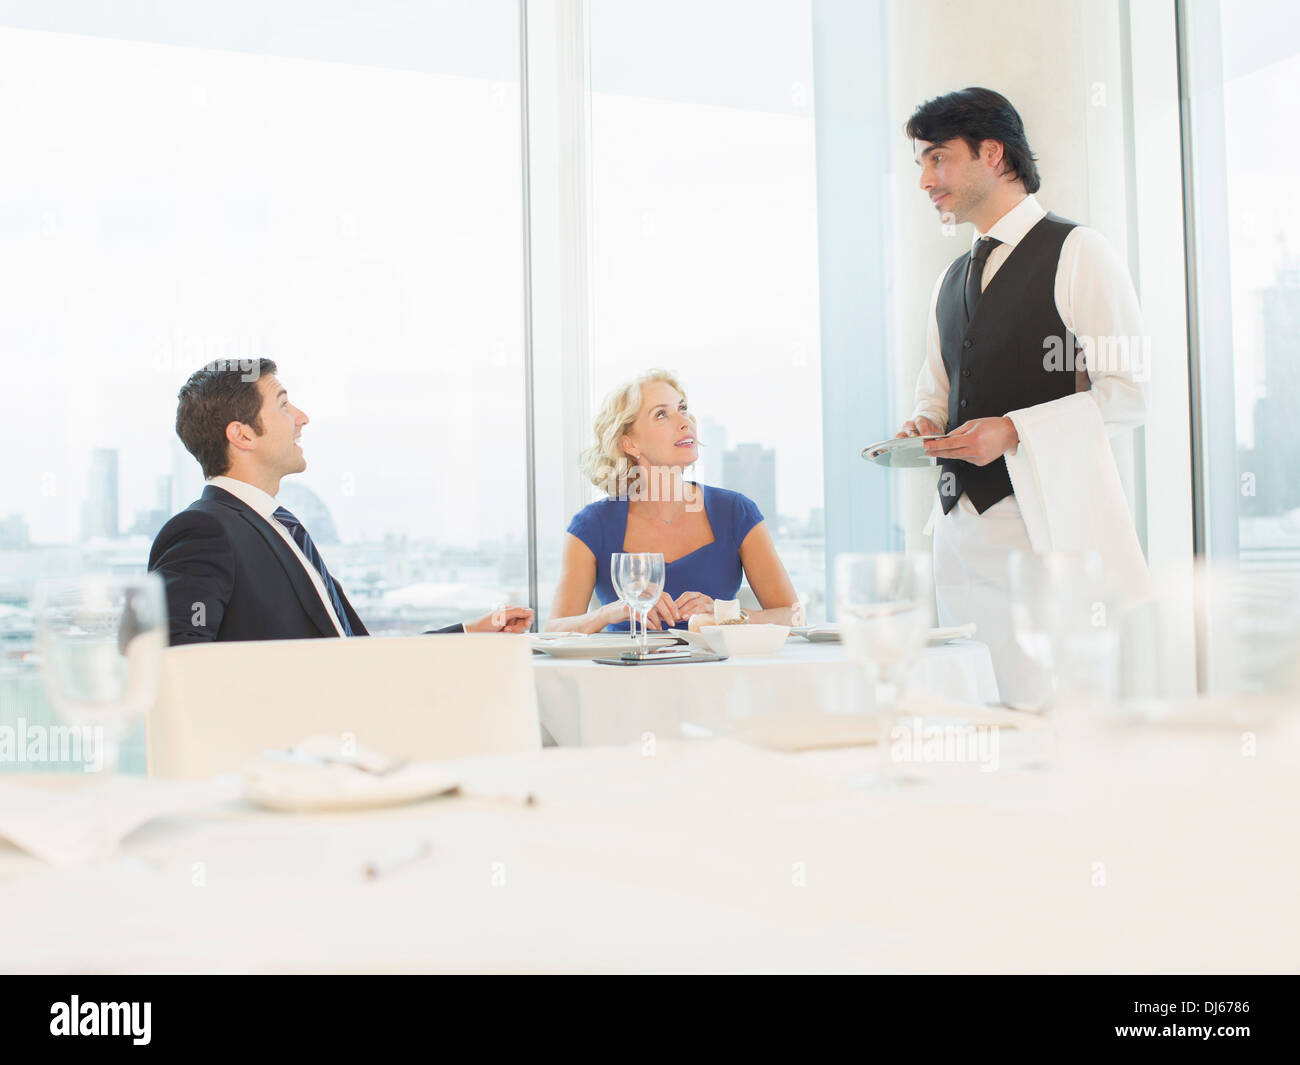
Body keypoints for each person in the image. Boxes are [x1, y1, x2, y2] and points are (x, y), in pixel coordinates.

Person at [896, 87, 1147, 707]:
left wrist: (1011, 431)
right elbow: (939, 392)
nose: (926, 180)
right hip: (958, 536)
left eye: (938, 158)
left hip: (1047, 537)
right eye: (921, 165)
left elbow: (1132, 392)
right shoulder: (950, 277)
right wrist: (923, 426)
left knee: (1058, 721)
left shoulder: (1078, 250)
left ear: (992, 152)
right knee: (982, 722)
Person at [149, 359, 532, 644]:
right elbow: (179, 664)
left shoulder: (278, 528)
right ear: (243, 435)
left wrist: (472, 632)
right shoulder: (204, 532)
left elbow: (354, 654)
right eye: (283, 405)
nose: (302, 417)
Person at [547, 369, 800, 632]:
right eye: (661, 414)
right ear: (630, 444)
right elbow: (553, 630)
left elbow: (793, 616)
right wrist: (609, 613)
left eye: (683, 409)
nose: (685, 422)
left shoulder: (736, 512)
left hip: (718, 674)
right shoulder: (592, 526)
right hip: (627, 673)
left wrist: (726, 614)